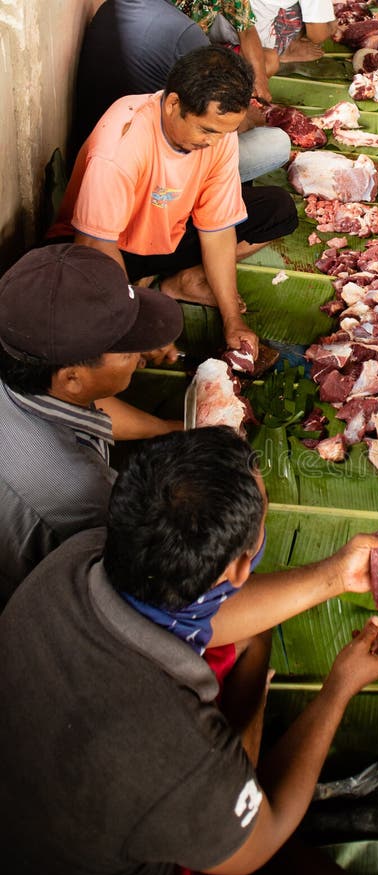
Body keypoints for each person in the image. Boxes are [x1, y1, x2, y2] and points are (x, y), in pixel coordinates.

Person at [0, 425, 378, 875]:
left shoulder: (78, 559)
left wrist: (334, 575)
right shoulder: (172, 750)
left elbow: (218, 616)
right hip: (118, 874)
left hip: (48, 785)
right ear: (239, 570)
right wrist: (338, 689)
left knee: (245, 640)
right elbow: (263, 839)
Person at [51, 46, 298, 358]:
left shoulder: (218, 137)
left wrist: (232, 321)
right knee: (70, 311)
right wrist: (136, 326)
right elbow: (95, 246)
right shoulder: (122, 145)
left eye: (224, 133)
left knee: (278, 210)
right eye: (206, 130)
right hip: (107, 249)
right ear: (172, 104)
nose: (213, 142)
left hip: (168, 232)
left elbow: (218, 229)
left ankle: (182, 281)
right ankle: (136, 285)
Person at [0, 243, 183, 605]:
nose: (142, 355)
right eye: (129, 350)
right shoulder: (81, 491)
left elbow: (88, 406)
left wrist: (166, 429)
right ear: (71, 378)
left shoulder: (19, 341)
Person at [71, 0, 291, 181]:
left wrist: (259, 82)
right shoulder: (184, 34)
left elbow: (246, 29)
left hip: (89, 144)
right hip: (144, 171)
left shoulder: (113, 5)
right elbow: (216, 122)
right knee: (276, 144)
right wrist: (250, 118)